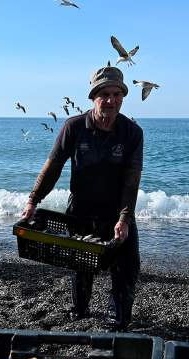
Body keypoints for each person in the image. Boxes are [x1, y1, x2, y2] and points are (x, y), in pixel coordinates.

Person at [20, 66, 144, 331]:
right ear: (93, 97)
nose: (111, 101)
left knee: (127, 265)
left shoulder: (132, 132)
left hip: (116, 208)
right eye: (105, 95)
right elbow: (53, 166)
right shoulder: (74, 126)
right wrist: (33, 200)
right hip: (81, 207)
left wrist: (124, 218)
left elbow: (132, 180)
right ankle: (80, 311)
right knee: (81, 263)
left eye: (117, 94)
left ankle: (118, 318)